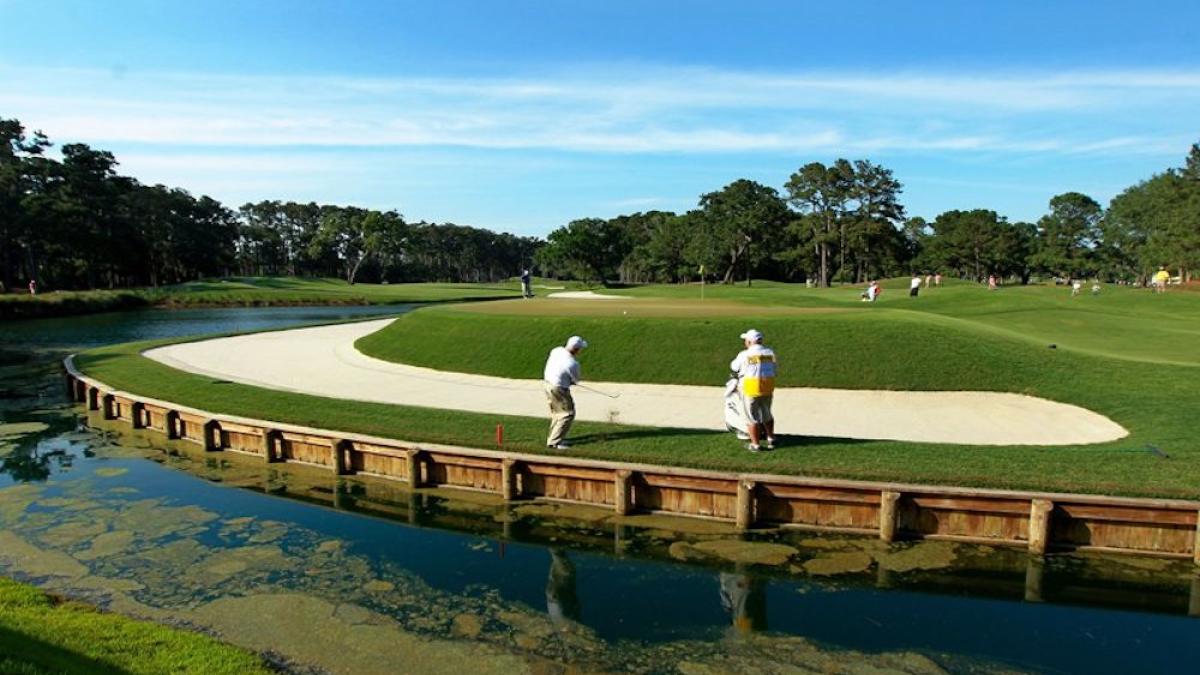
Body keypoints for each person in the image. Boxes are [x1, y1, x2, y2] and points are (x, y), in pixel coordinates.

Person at [730, 329, 776, 452]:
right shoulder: (770, 353)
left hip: (750, 388)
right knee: (767, 413)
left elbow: (734, 367)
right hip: (767, 387)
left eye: (746, 340)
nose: (745, 342)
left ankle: (755, 445)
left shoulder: (744, 354)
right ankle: (771, 438)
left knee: (751, 417)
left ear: (750, 342)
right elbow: (775, 369)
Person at [543, 336, 587, 449]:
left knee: (557, 413)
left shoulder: (556, 350)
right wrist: (570, 381)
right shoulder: (572, 363)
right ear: (576, 349)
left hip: (547, 384)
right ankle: (554, 442)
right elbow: (576, 380)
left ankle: (554, 438)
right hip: (559, 388)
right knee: (567, 414)